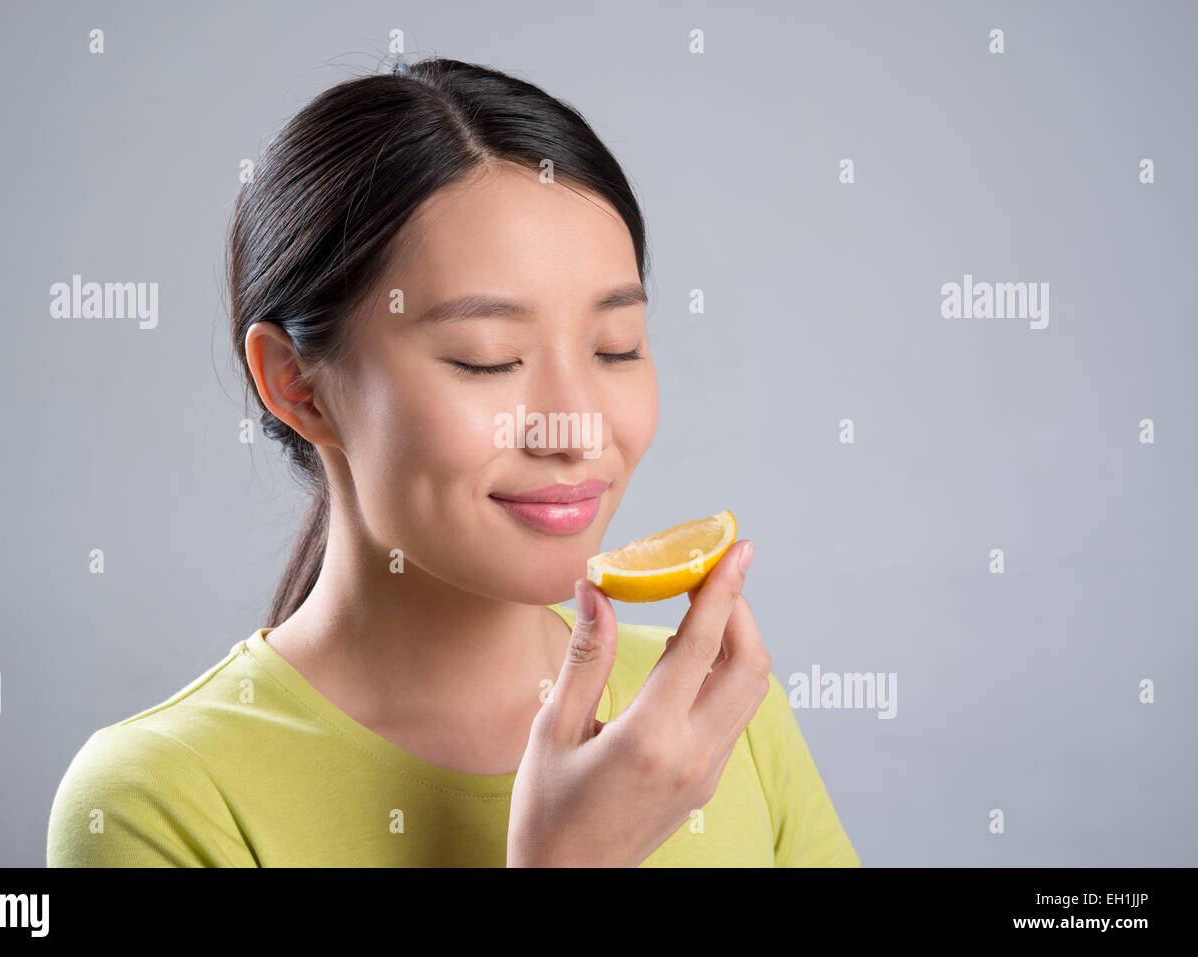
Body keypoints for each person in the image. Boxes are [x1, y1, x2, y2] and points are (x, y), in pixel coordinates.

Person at [46, 56, 859, 867]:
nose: (578, 430)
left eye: (617, 347)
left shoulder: (709, 714)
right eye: (487, 358)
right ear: (298, 385)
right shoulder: (157, 799)